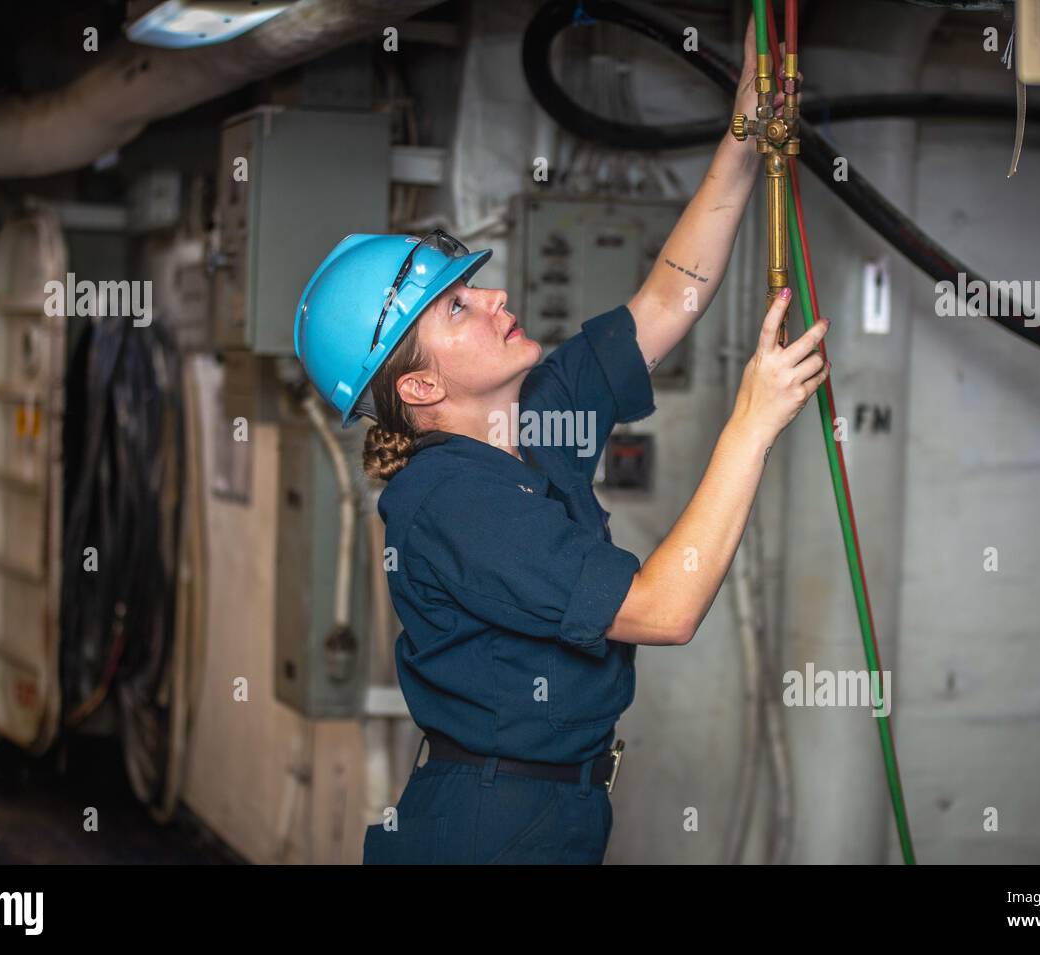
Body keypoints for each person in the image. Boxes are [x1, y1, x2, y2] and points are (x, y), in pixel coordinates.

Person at [293, 19, 827, 866]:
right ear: (421, 388)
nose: (497, 294)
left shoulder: (536, 414)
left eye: (472, 287)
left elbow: (667, 302)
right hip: (488, 825)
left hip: (557, 805)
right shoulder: (450, 501)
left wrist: (738, 141)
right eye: (459, 308)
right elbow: (663, 609)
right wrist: (751, 423)